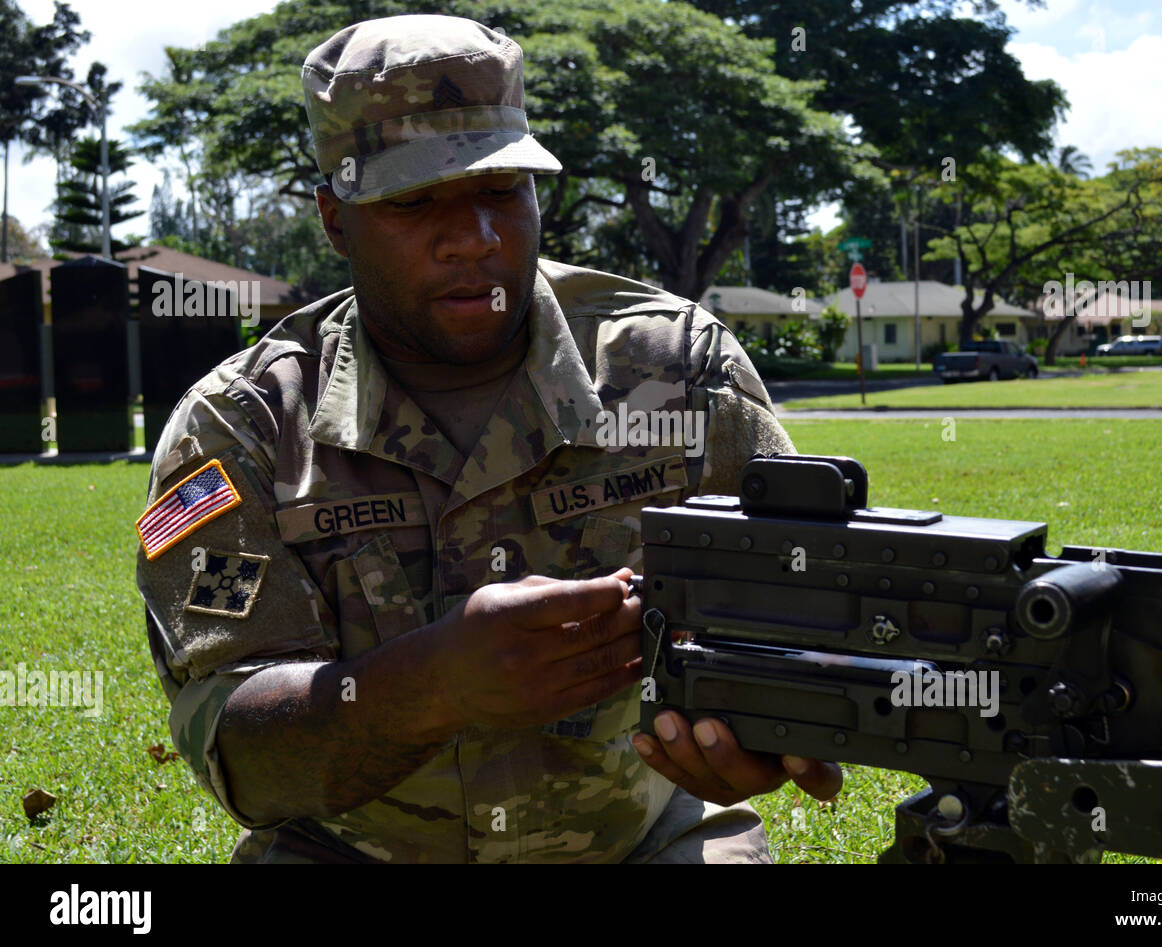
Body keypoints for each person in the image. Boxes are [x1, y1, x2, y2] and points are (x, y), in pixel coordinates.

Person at [135, 13, 841, 864]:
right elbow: (237, 746)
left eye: (502, 191)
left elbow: (804, 606)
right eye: (415, 202)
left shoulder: (677, 369)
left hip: (648, 844)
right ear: (334, 219)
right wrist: (431, 686)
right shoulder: (242, 426)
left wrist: (767, 731)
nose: (473, 240)